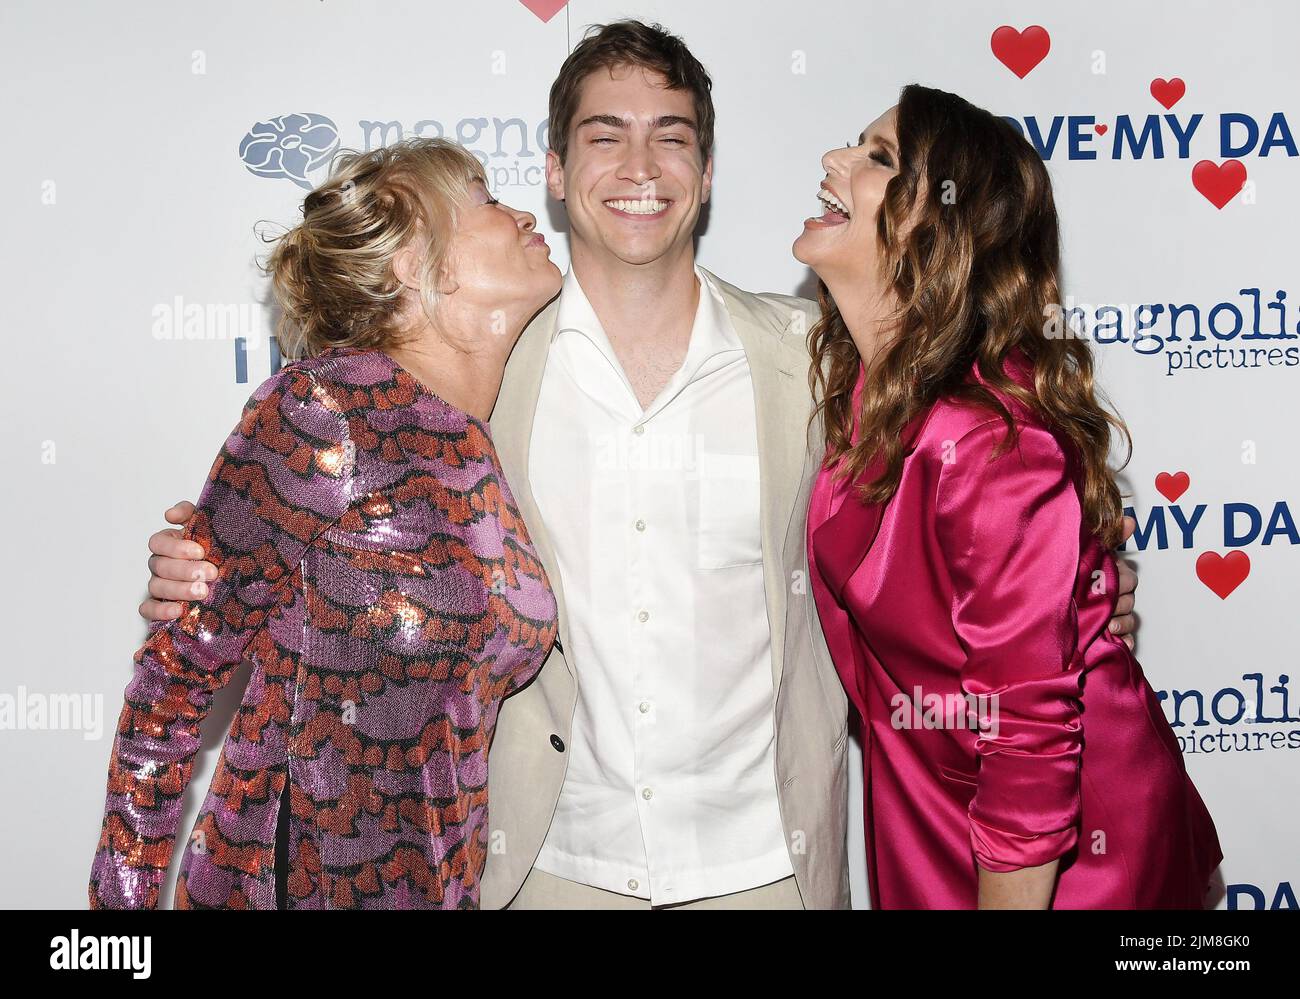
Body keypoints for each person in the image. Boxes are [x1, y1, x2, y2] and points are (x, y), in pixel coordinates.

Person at [133, 21, 1140, 909]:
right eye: (603, 135)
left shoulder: (819, 365)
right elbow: (334, 507)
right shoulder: (475, 372)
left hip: (769, 873)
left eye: (671, 136)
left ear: (706, 175)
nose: (639, 164)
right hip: (545, 869)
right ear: (557, 174)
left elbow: (968, 528)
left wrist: (1073, 597)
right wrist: (213, 568)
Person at [90, 137, 563, 909]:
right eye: (483, 200)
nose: (520, 214)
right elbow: (170, 689)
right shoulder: (322, 410)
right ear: (415, 261)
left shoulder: (484, 447)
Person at [793, 86, 1222, 908]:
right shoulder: (870, 395)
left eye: (878, 158)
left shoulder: (987, 438)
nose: (833, 162)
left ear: (943, 227)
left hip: (1066, 854)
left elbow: (1027, 736)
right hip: (939, 806)